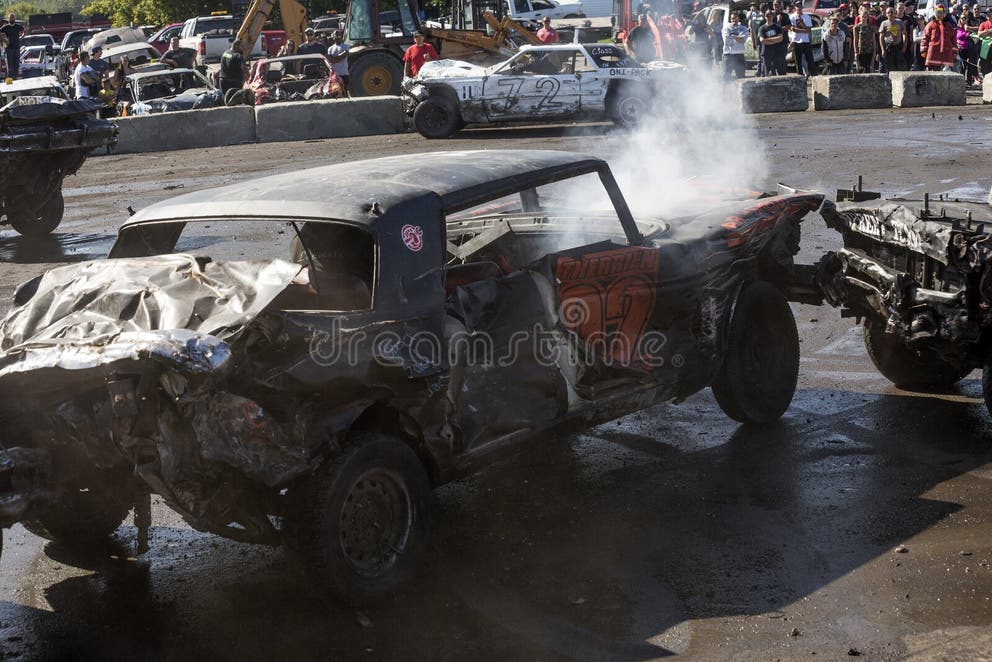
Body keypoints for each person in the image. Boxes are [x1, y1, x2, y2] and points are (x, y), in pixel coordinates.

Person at [920, 5, 958, 70]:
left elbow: (953, 39)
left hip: (947, 55)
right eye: (937, 12)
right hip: (933, 55)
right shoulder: (930, 25)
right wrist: (924, 50)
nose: (939, 15)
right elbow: (925, 38)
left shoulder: (949, 26)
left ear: (944, 14)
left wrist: (954, 51)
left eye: (941, 13)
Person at [789, 3, 815, 76]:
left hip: (806, 41)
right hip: (796, 41)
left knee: (810, 60)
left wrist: (802, 23)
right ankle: (800, 77)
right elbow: (793, 29)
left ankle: (813, 76)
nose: (799, 8)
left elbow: (809, 29)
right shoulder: (791, 17)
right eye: (797, 6)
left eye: (800, 7)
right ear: (795, 7)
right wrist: (805, 30)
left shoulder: (806, 17)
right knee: (798, 61)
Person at [759, 9, 788, 74]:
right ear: (765, 17)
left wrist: (768, 40)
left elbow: (780, 39)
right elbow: (762, 40)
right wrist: (775, 40)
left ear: (773, 17)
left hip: (777, 52)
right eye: (767, 16)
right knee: (765, 72)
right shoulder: (762, 28)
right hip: (766, 53)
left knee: (781, 71)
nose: (768, 18)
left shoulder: (778, 27)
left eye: (770, 16)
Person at [878, 6, 907, 71]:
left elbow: (904, 34)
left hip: (898, 46)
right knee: (889, 67)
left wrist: (904, 46)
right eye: (888, 12)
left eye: (892, 12)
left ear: (895, 13)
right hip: (889, 47)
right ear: (886, 14)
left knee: (900, 66)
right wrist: (883, 49)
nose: (890, 14)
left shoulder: (900, 22)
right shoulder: (884, 23)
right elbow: (881, 37)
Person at [722, 11, 749, 78]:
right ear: (730, 19)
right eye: (732, 18)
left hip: (739, 55)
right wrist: (738, 38)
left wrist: (732, 36)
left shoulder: (743, 28)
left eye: (735, 18)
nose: (734, 20)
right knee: (726, 77)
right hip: (728, 55)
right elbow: (726, 40)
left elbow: (743, 40)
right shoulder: (726, 28)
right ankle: (724, 88)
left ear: (738, 18)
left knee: (741, 76)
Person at [0, 14, 25, 79]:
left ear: (14, 18)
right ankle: (11, 79)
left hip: (17, 48)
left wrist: (21, 38)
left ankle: (15, 78)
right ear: (8, 19)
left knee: (16, 65)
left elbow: (25, 31)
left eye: (13, 18)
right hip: (9, 48)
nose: (11, 19)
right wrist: (4, 39)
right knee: (10, 66)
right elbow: (0, 33)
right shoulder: (5, 27)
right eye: (10, 18)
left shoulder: (18, 26)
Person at [853, 5, 878, 71]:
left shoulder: (871, 27)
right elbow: (855, 40)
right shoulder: (856, 27)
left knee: (869, 69)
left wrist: (875, 51)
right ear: (860, 17)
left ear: (868, 17)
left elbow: (874, 40)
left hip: (870, 50)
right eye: (863, 17)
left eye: (865, 17)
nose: (864, 18)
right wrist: (856, 51)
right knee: (860, 69)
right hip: (860, 51)